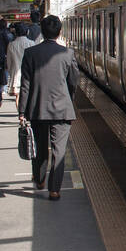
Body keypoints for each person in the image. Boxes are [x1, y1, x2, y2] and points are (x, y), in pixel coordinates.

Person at [18, 14, 79, 200]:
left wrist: (22, 111)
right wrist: (68, 98)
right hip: (62, 109)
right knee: (59, 151)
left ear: (41, 32)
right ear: (60, 32)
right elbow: (73, 82)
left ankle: (39, 180)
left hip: (37, 109)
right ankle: (54, 190)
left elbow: (25, 85)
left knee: (40, 147)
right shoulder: (68, 54)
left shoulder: (30, 53)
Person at [5, 22, 34, 103]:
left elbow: (9, 61)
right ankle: (25, 114)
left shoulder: (11, 44)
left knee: (18, 96)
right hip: (29, 74)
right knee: (28, 96)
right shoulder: (32, 43)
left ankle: (20, 114)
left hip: (16, 73)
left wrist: (11, 72)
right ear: (27, 32)